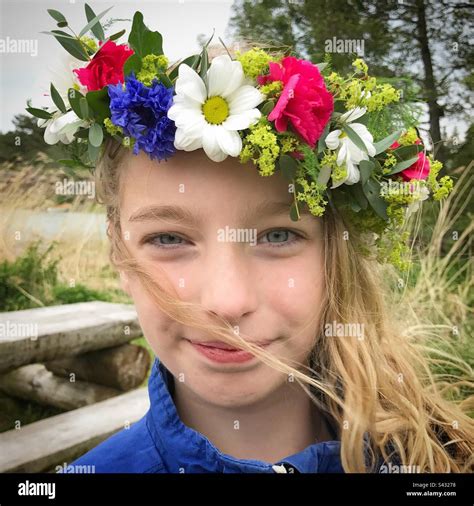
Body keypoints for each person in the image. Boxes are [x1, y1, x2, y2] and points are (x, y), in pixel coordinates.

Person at [29, 7, 473, 473]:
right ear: (117, 252)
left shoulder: (441, 461)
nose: (227, 302)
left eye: (278, 235)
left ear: (334, 254)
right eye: (168, 238)